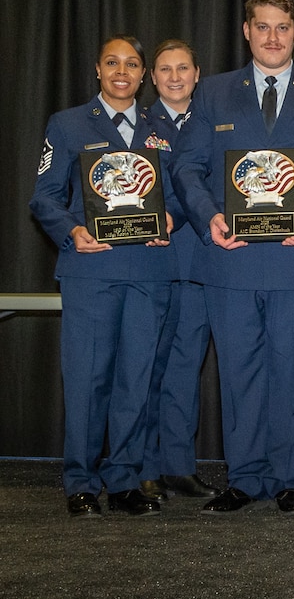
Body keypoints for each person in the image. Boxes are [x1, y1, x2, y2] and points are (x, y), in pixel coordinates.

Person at [172, 0, 294, 515]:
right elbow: (186, 167)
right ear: (246, 31)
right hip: (230, 259)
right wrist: (209, 214)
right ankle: (245, 477)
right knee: (238, 373)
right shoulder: (212, 93)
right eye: (263, 27)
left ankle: (289, 479)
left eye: (283, 27)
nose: (273, 37)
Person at [30, 35, 178, 518]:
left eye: (132, 64)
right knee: (88, 378)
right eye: (112, 62)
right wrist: (72, 229)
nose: (122, 71)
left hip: (148, 272)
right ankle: (80, 481)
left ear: (144, 75)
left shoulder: (163, 128)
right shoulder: (68, 124)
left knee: (137, 380)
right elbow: (44, 197)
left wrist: (172, 217)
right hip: (91, 269)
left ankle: (125, 478)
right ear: (97, 69)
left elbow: (179, 192)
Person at [139, 39, 219, 501]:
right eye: (165, 69)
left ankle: (178, 465)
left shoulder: (212, 120)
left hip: (197, 262)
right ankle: (144, 464)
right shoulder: (138, 125)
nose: (174, 77)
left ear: (197, 72)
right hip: (151, 261)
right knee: (147, 366)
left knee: (186, 368)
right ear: (152, 76)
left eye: (183, 68)